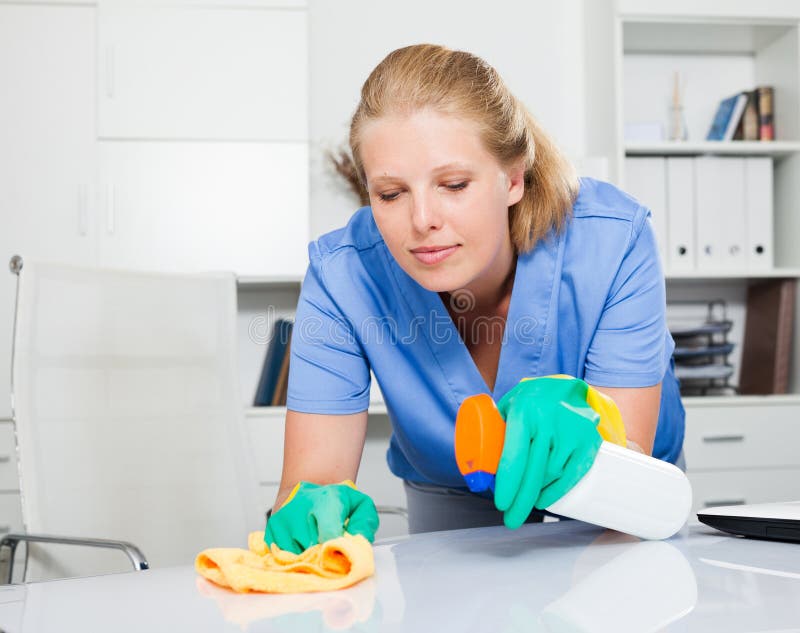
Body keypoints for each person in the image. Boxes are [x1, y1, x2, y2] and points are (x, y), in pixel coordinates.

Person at [263, 44, 685, 554]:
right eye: (391, 194)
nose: (422, 221)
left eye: (454, 184)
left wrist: (595, 434)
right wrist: (310, 514)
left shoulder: (613, 240)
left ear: (512, 178)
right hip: (451, 502)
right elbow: (311, 482)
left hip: (619, 500)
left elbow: (629, 478)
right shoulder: (342, 274)